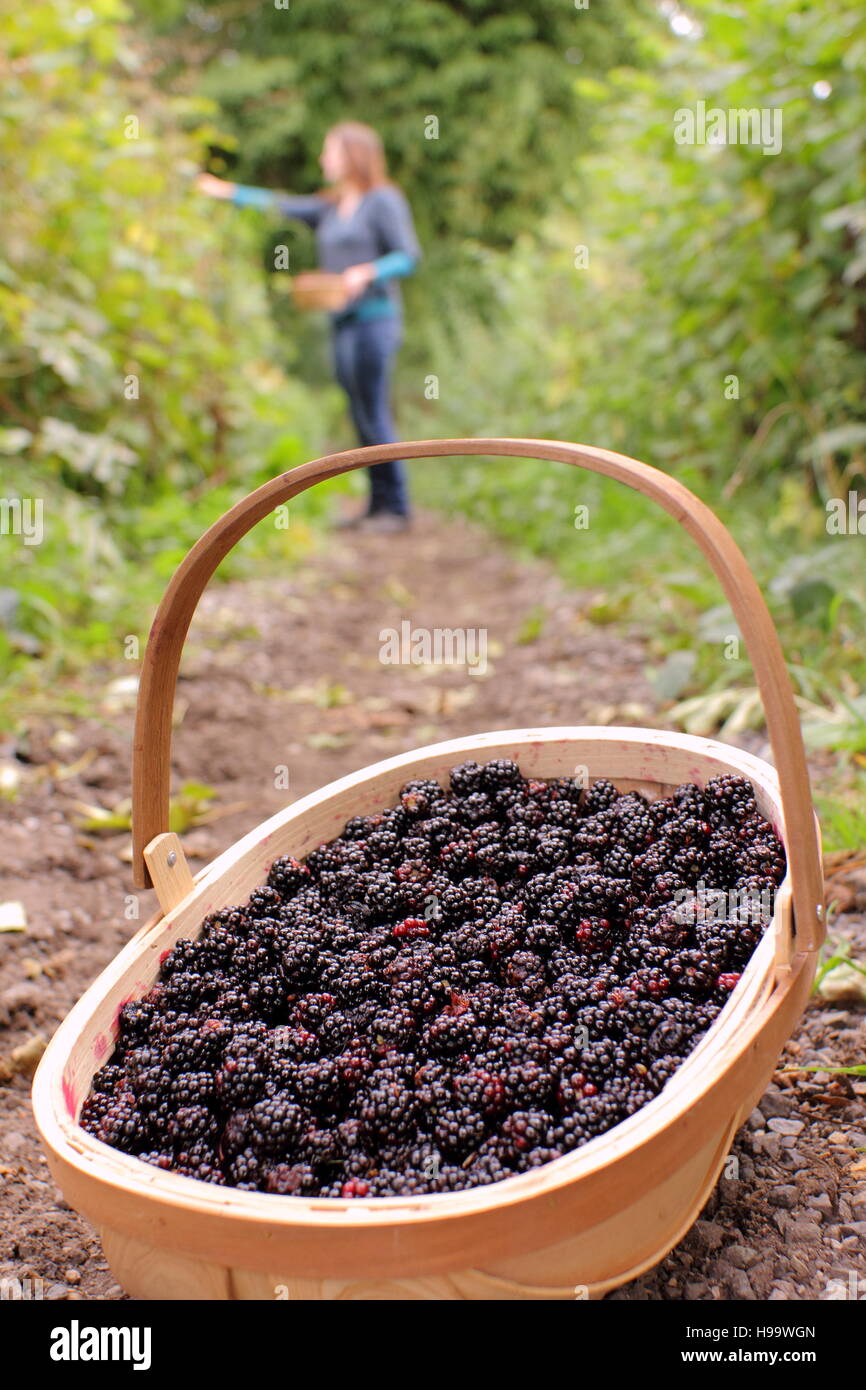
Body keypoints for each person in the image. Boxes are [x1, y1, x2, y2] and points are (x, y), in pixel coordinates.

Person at [198, 122, 420, 533]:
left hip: (376, 320)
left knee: (374, 410)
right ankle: (376, 506)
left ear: (354, 155)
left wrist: (367, 271)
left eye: (329, 151)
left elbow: (408, 255)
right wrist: (226, 192)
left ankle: (397, 508)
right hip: (342, 322)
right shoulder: (329, 207)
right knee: (358, 413)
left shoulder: (382, 201)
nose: (323, 159)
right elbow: (278, 204)